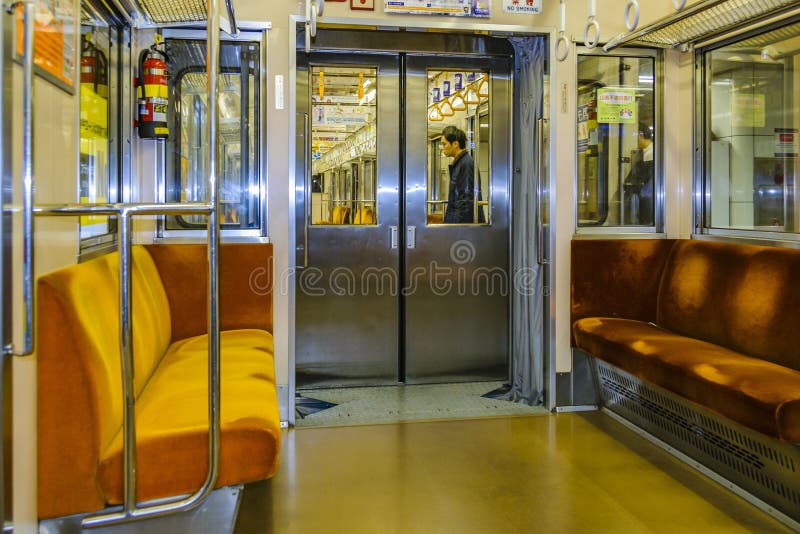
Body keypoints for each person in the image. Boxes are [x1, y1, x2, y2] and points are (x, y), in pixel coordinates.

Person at [441, 125, 485, 224]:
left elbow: (466, 202)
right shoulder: (460, 163)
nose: (443, 148)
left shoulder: (466, 164)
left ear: (455, 144)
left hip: (463, 224)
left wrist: (458, 228)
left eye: (444, 144)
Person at [623, 122, 654, 225]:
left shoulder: (651, 155)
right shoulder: (643, 153)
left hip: (647, 203)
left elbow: (644, 181)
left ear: (641, 135)